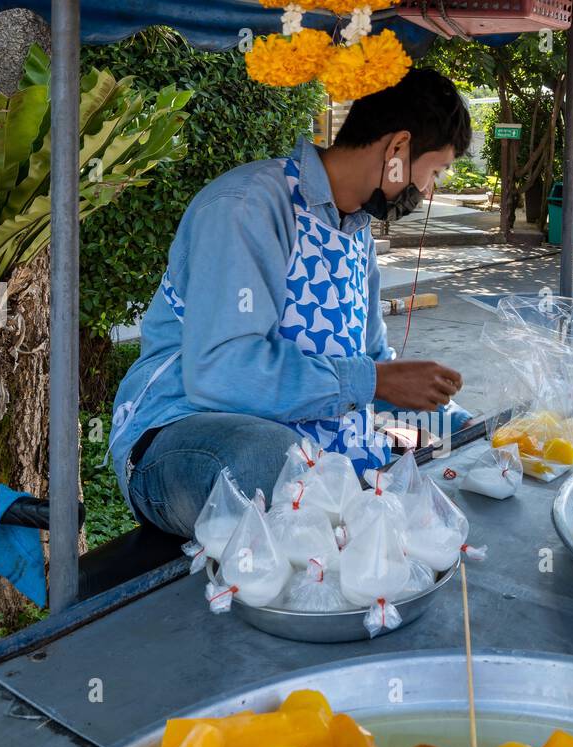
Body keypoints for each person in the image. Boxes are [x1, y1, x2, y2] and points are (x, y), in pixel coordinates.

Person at [107, 68, 473, 538]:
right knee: (271, 463)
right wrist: (373, 379)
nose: (429, 190)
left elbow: (374, 365)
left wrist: (462, 425)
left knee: (358, 474)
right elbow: (222, 371)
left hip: (306, 451)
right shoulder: (248, 206)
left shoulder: (356, 233)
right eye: (435, 171)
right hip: (186, 432)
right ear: (399, 149)